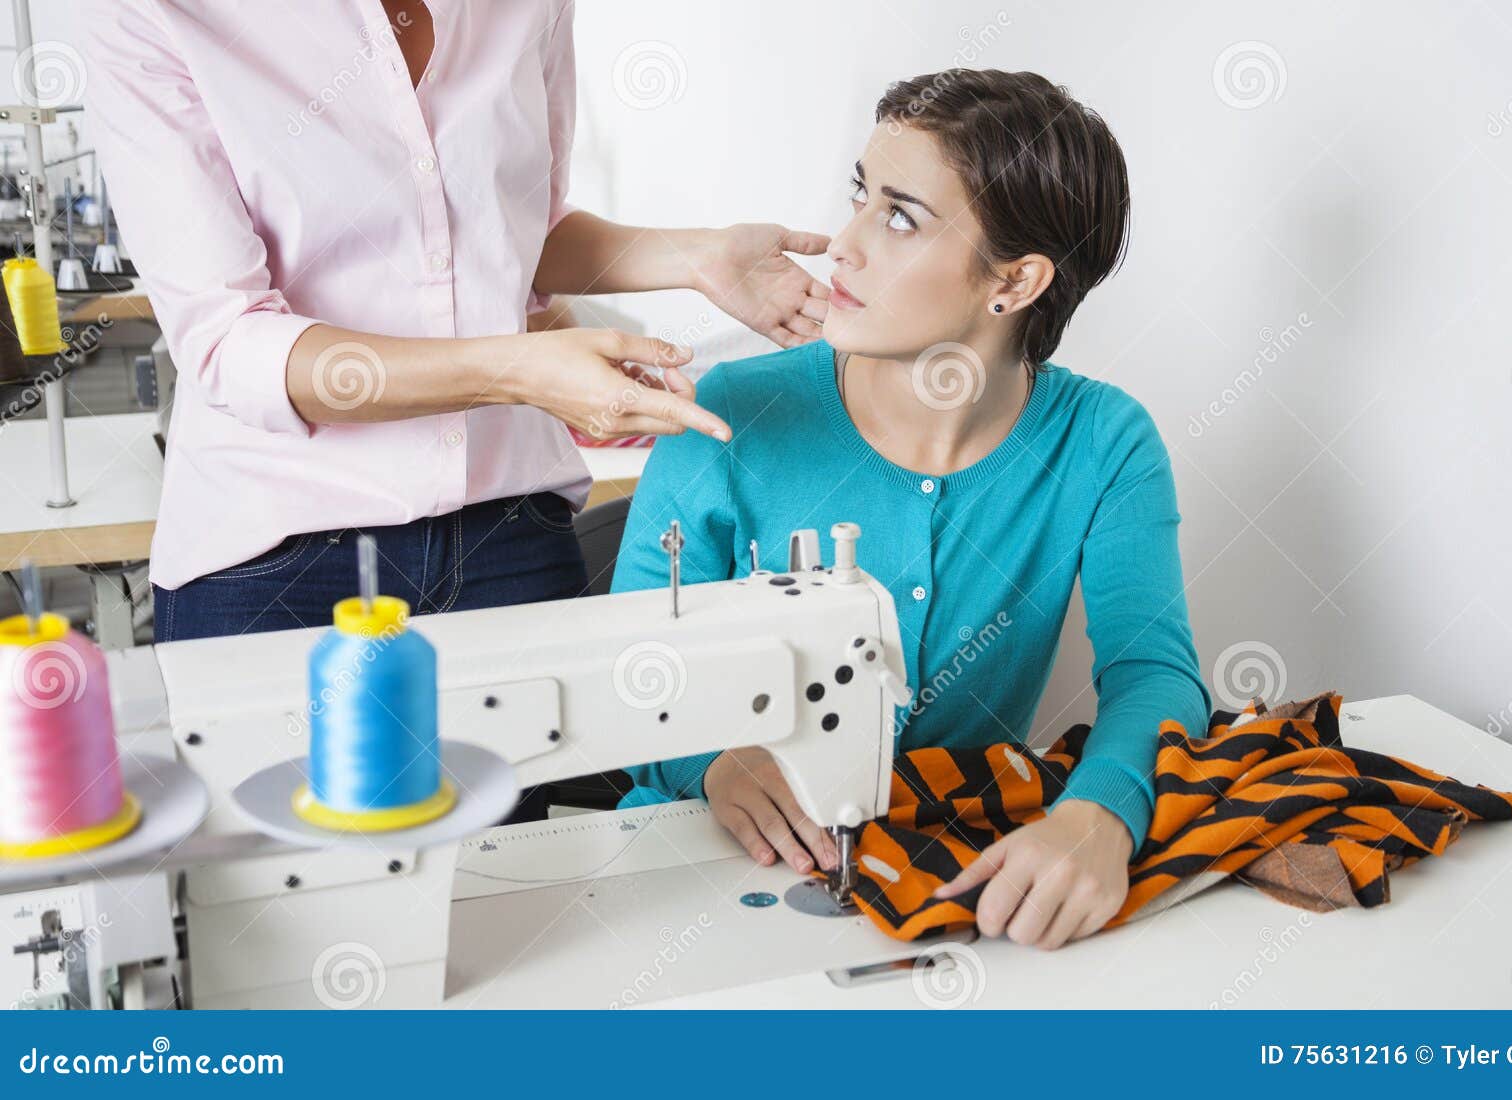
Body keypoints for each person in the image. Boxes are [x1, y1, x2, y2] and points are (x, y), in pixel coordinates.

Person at [612, 69, 1211, 950]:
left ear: (1014, 281)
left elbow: (1153, 672)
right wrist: (712, 764)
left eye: (898, 216)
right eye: (861, 195)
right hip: (697, 864)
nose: (842, 246)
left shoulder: (1103, 442)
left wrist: (1100, 815)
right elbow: (633, 671)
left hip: (950, 860)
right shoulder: (728, 416)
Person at [81, 0, 829, 641]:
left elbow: (518, 233)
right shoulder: (161, 15)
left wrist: (698, 257)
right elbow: (228, 341)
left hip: (511, 538)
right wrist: (518, 372)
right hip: (278, 559)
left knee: (538, 818)